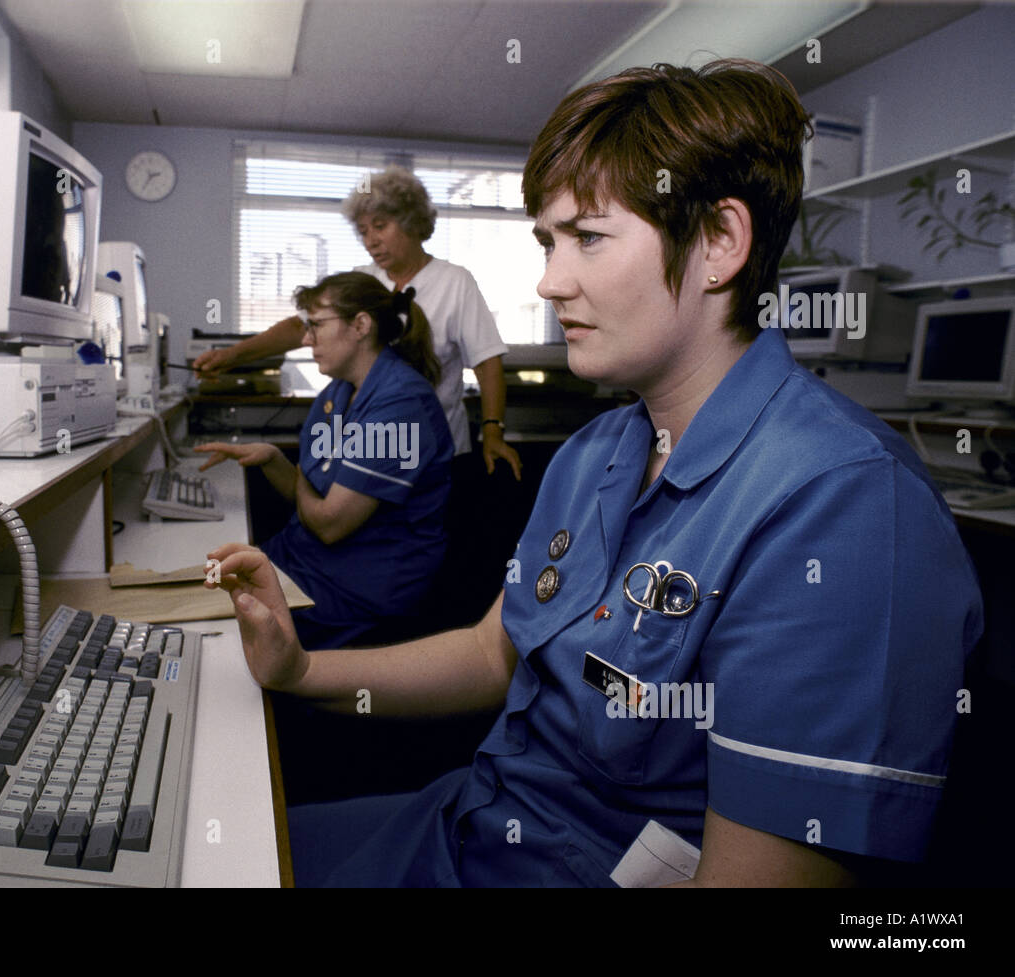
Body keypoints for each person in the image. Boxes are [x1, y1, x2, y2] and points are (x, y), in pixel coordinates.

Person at [203, 58, 984, 886]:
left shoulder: (847, 508)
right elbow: (491, 653)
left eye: (588, 237)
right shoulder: (595, 452)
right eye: (547, 241)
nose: (549, 280)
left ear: (719, 242)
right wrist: (300, 670)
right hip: (469, 818)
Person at [193, 167, 522, 481]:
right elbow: (301, 326)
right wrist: (232, 356)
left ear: (411, 221)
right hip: (372, 445)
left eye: (380, 226)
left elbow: (487, 360)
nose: (371, 241)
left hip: (437, 447)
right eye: (363, 231)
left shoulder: (455, 282)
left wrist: (493, 430)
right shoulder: (364, 280)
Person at [196, 271, 453, 651]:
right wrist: (273, 461)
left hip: (354, 589)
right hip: (304, 560)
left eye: (316, 325)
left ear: (360, 325)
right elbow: (310, 495)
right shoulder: (339, 391)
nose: (305, 339)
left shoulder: (401, 405)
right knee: (199, 591)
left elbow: (330, 523)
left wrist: (297, 475)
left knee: (211, 636)